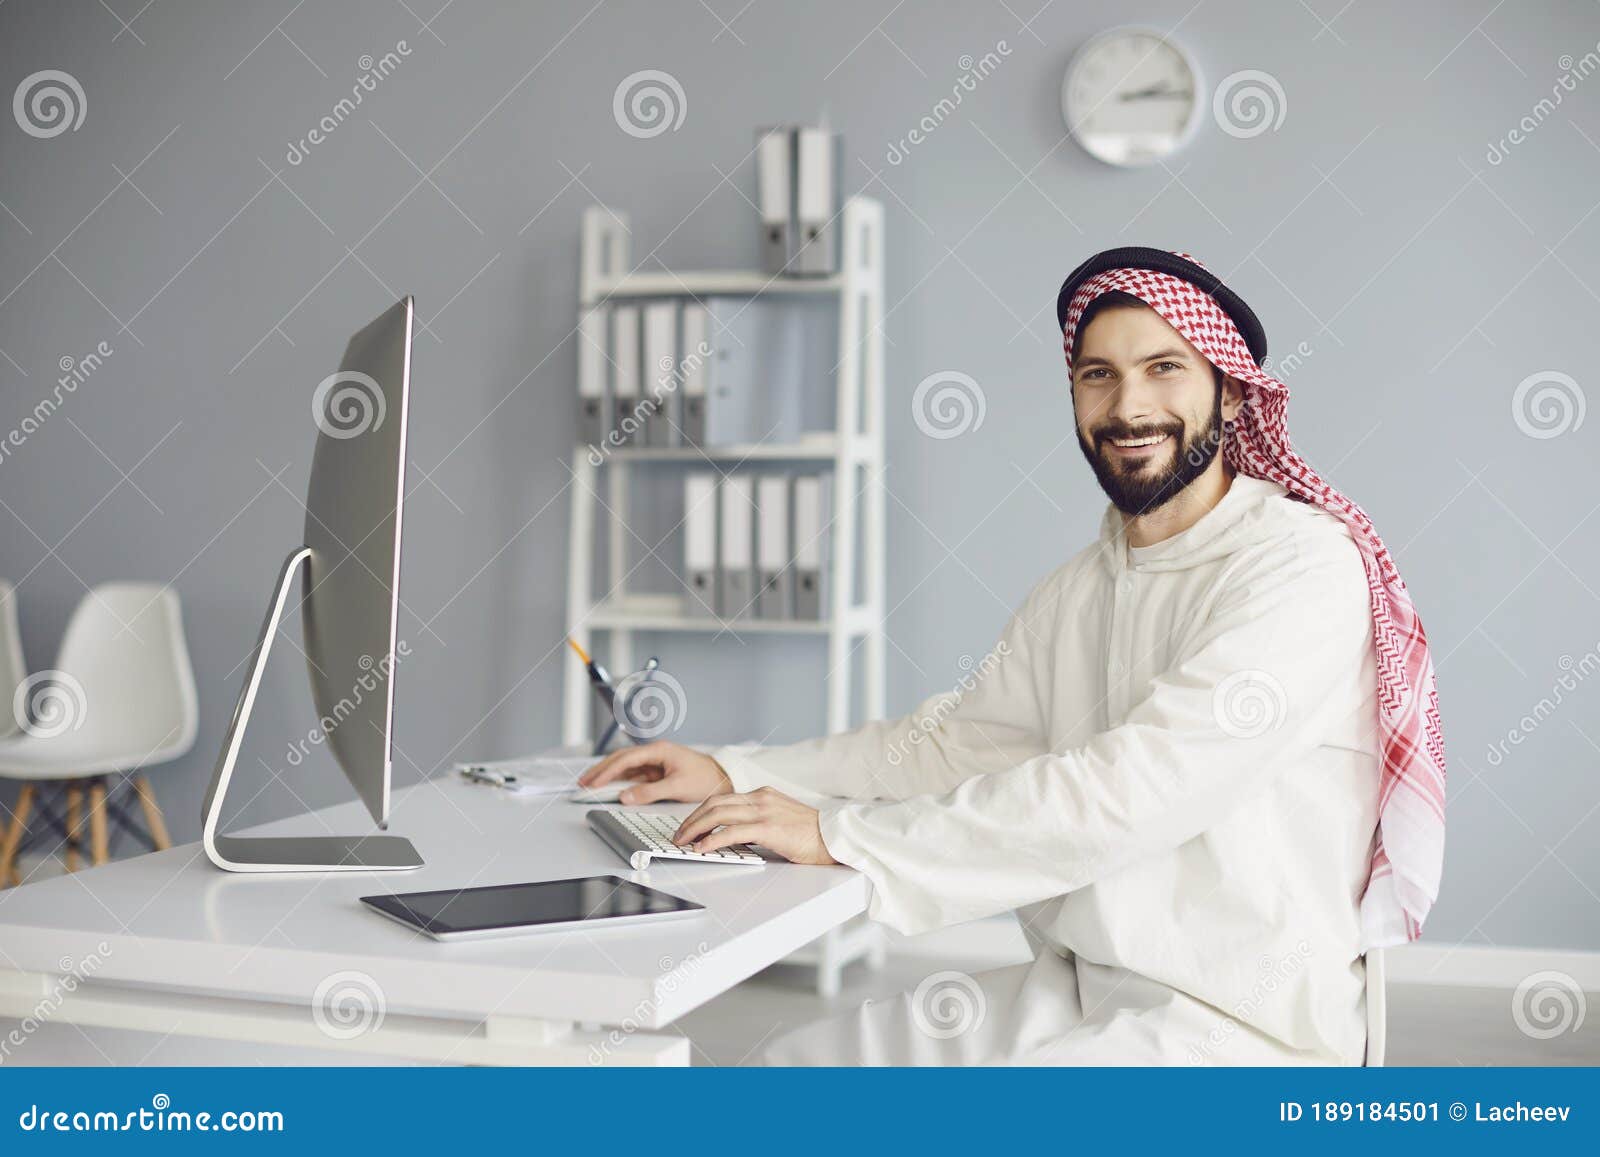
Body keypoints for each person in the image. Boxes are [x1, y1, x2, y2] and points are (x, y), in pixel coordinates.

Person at [579, 248, 1446, 1066]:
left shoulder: (1299, 567)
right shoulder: (1082, 586)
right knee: (790, 1071)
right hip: (1080, 988)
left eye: (1164, 367)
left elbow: (1130, 789)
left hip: (1243, 1031)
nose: (1128, 405)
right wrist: (733, 770)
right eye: (1097, 374)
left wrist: (842, 836)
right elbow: (950, 745)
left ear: (1228, 394)